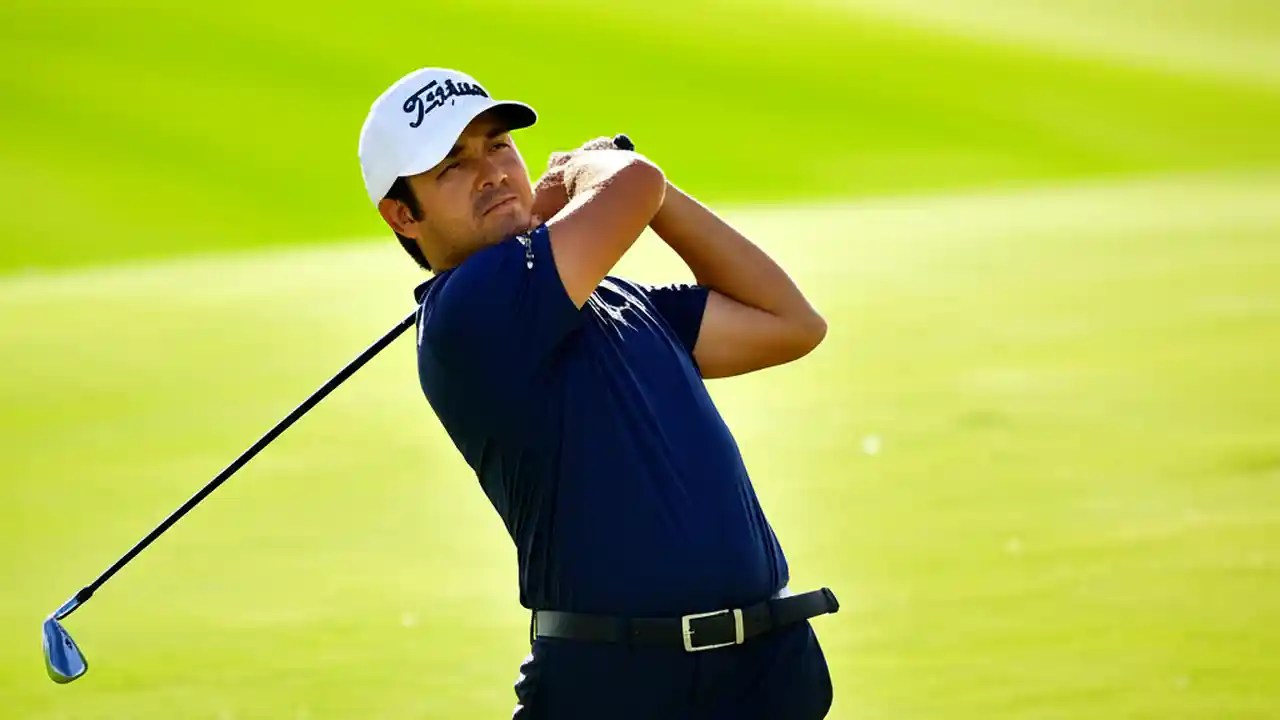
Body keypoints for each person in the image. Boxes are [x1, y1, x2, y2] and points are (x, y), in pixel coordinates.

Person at [358, 67, 838, 719]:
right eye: (451, 166)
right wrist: (597, 171)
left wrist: (654, 196)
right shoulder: (465, 312)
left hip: (763, 674)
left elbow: (790, 323)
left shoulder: (615, 299)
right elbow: (633, 183)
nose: (493, 171)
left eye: (498, 144)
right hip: (619, 685)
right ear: (402, 215)